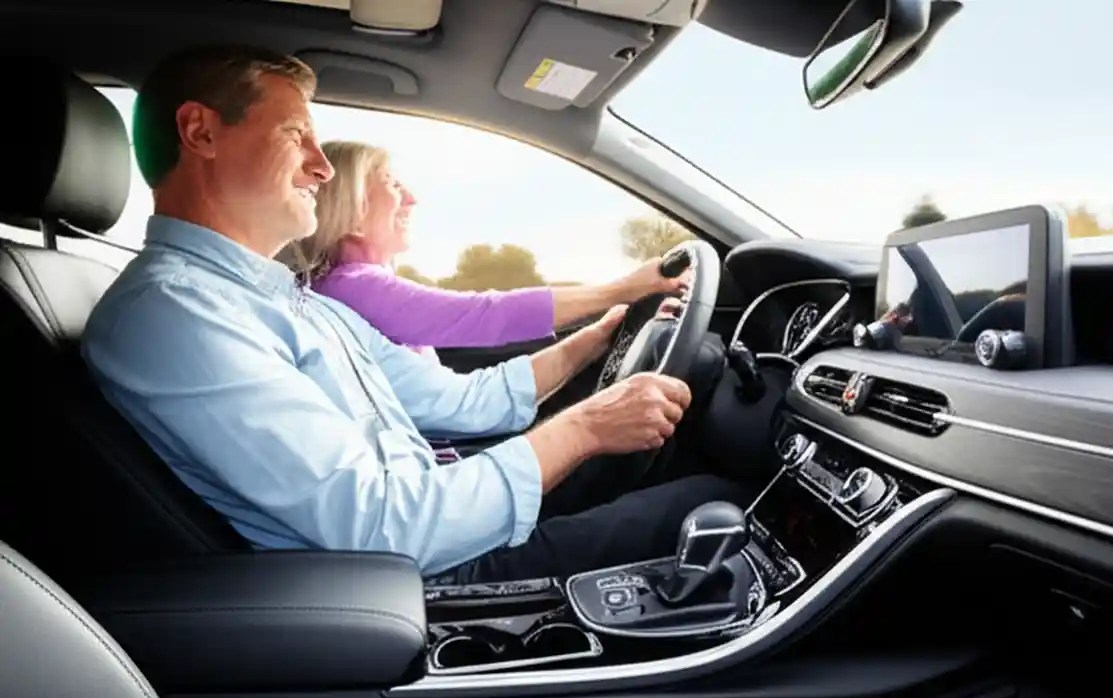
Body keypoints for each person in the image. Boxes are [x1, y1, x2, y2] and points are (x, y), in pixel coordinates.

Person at [81, 44, 752, 584]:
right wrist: (584, 427)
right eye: (297, 135)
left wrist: (600, 339)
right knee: (715, 498)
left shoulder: (290, 302)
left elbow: (463, 402)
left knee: (682, 470)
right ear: (200, 132)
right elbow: (380, 526)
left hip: (436, 517)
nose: (321, 167)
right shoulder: (175, 315)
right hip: (411, 577)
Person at [277, 139, 686, 350]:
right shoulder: (354, 286)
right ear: (352, 205)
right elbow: (483, 315)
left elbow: (462, 401)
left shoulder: (349, 285)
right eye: (393, 184)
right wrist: (623, 290)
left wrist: (605, 329)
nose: (412, 198)